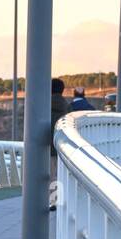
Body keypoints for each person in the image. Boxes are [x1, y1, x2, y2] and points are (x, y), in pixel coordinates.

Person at [49, 78, 68, 212]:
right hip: (63, 146)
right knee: (60, 175)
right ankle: (57, 200)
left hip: (46, 146)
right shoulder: (67, 107)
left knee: (50, 175)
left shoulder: (44, 106)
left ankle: (53, 201)